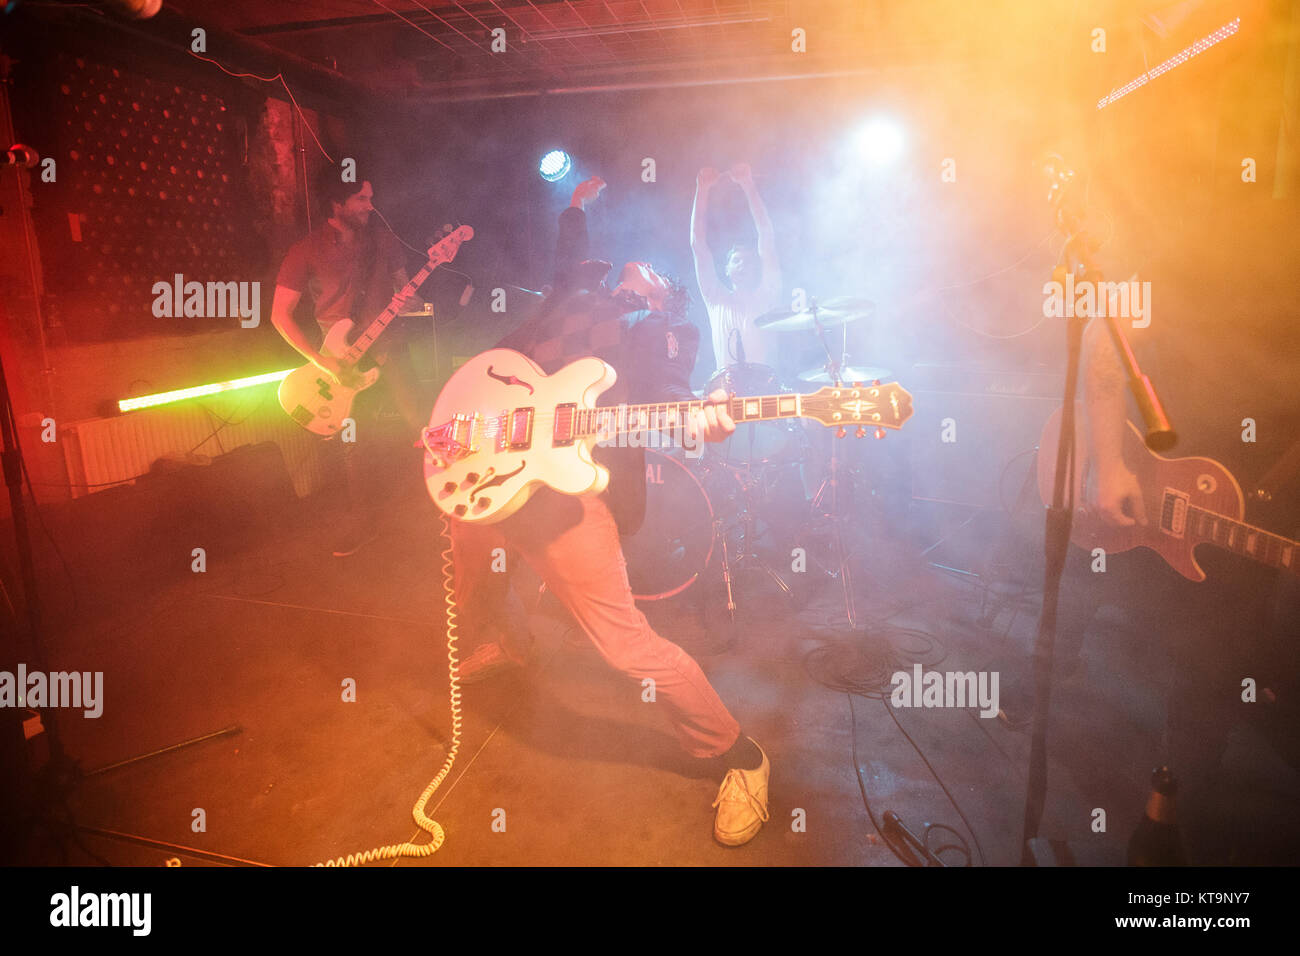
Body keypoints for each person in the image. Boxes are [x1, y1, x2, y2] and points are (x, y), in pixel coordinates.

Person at [442, 175, 772, 847]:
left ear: (662, 295)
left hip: (566, 498)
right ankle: (506, 641)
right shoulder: (578, 294)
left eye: (656, 270)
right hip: (490, 465)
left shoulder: (660, 329)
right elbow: (568, 261)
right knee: (466, 567)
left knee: (624, 648)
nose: (640, 262)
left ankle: (740, 756)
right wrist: (574, 209)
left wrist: (704, 421)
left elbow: (670, 395)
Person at [270, 169, 427, 556]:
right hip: (341, 363)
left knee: (424, 425)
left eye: (370, 198)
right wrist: (321, 361)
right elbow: (279, 315)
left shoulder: (384, 241)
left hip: (390, 347)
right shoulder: (304, 250)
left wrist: (412, 302)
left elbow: (404, 287)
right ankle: (365, 523)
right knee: (355, 445)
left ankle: (446, 511)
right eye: (361, 199)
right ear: (337, 203)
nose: (370, 206)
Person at [690, 163, 783, 369]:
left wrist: (748, 186)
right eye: (736, 260)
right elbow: (698, 244)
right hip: (726, 391)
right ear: (727, 269)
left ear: (757, 268)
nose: (742, 265)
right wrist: (702, 189)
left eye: (749, 261)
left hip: (763, 390)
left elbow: (766, 236)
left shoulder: (768, 293)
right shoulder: (715, 297)